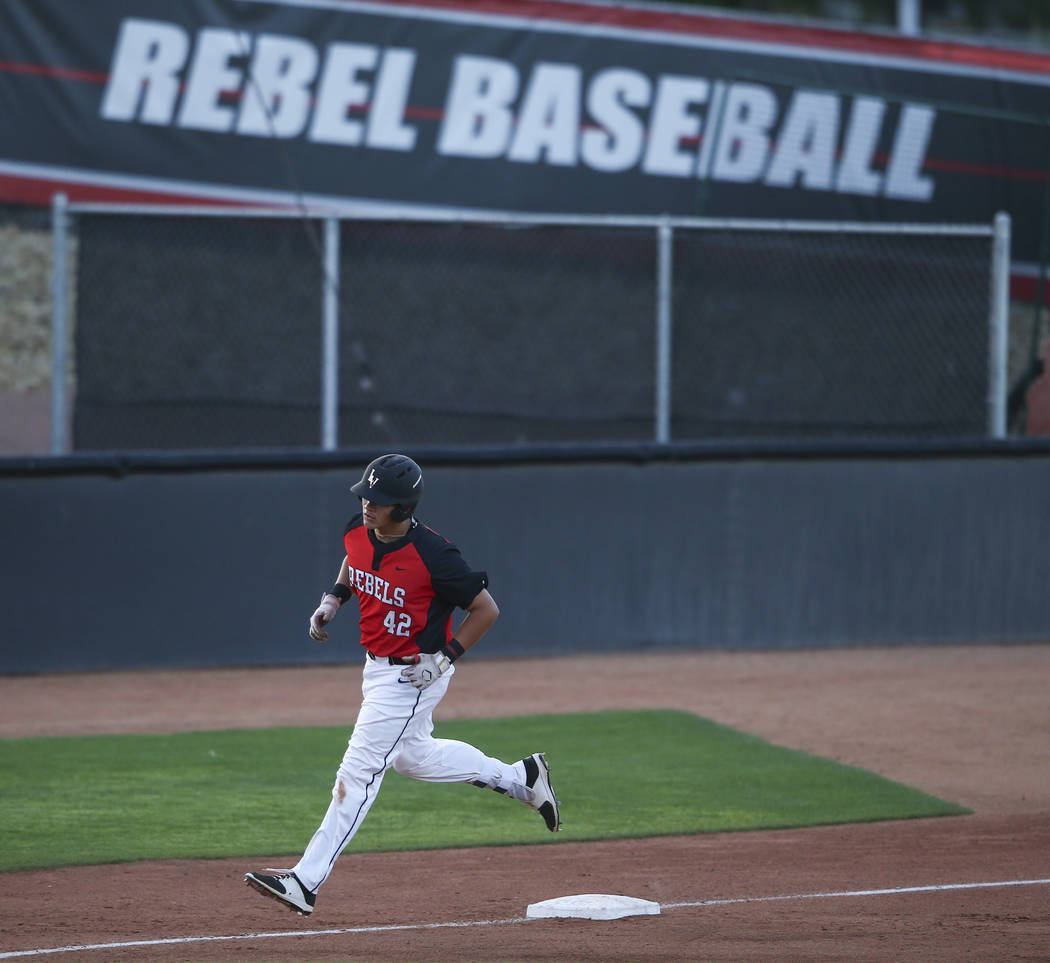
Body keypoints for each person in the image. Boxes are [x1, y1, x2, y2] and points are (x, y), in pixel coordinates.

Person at [244, 453, 560, 916]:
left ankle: (305, 881)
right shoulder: (359, 528)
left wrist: (444, 660)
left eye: (379, 500)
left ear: (405, 506)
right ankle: (521, 778)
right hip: (375, 669)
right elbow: (353, 560)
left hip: (413, 675)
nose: (368, 505)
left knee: (358, 772)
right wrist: (334, 598)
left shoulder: (435, 555)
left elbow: (486, 609)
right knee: (413, 758)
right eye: (366, 496)